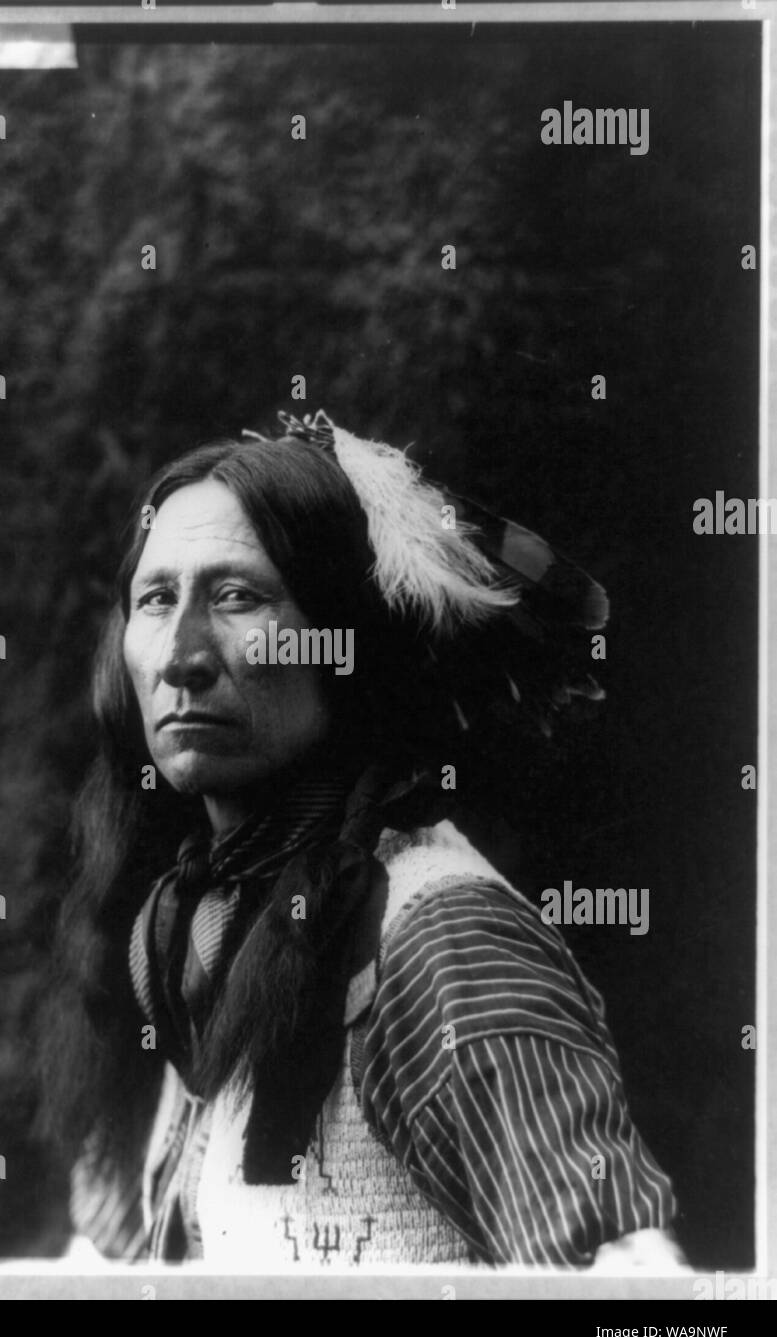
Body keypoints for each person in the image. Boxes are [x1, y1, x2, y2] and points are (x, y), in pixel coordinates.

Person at [40, 409, 683, 1269]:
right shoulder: (194, 927)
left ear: (348, 644)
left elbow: (636, 1316)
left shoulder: (442, 939)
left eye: (238, 596)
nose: (181, 655)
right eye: (156, 599)